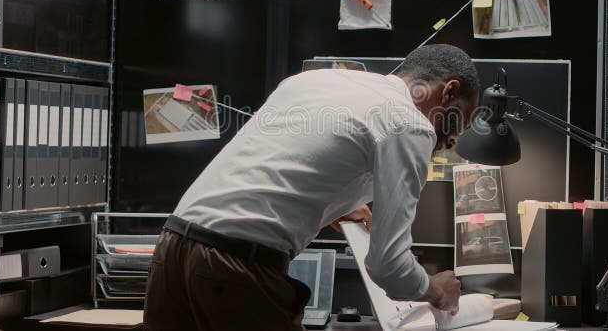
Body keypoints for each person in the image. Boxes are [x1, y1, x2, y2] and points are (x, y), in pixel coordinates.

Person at [143, 44, 480, 331]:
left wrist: (336, 204)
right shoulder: (410, 123)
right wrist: (436, 291)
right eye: (455, 124)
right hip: (235, 266)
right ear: (448, 91)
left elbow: (281, 162)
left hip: (173, 246)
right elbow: (389, 268)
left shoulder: (312, 81)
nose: (448, 142)